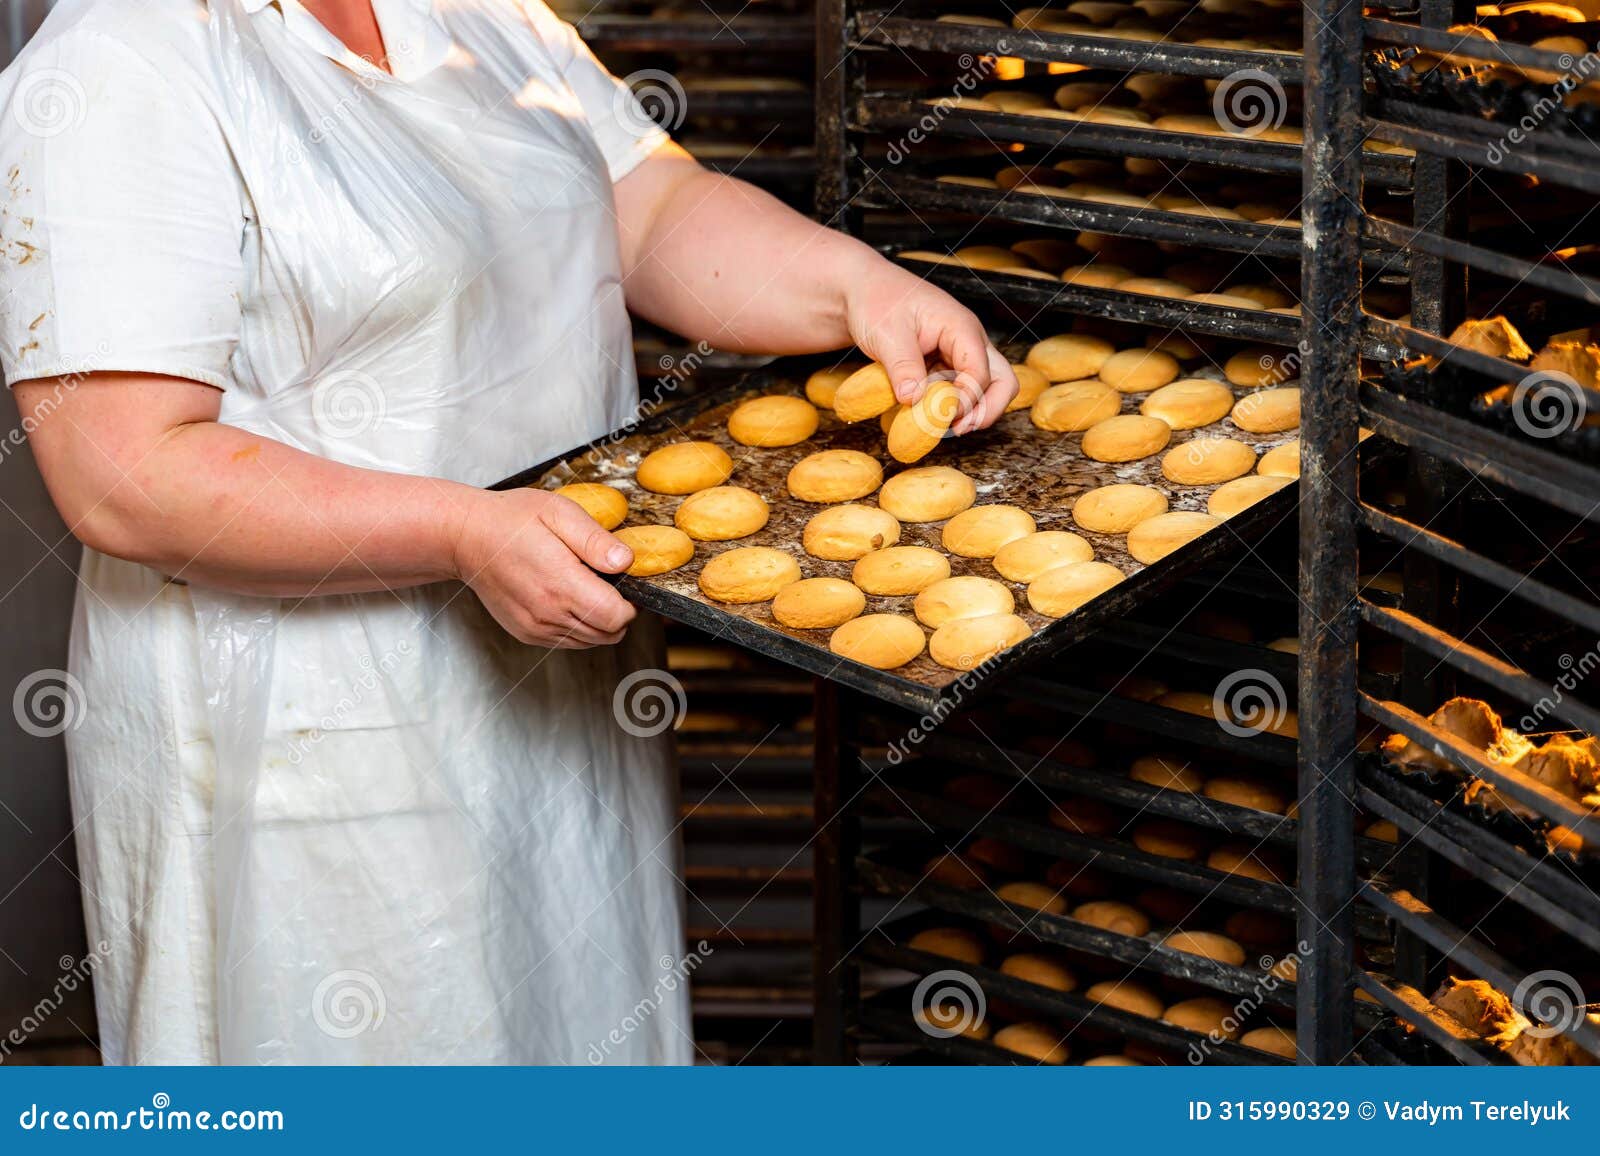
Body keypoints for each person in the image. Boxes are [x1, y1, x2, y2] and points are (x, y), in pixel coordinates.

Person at [0, 0, 1016, 1064]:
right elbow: (124, 471)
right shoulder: (125, 58)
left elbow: (653, 213)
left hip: (547, 698)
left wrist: (862, 288)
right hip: (306, 747)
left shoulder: (479, 12)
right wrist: (460, 532)